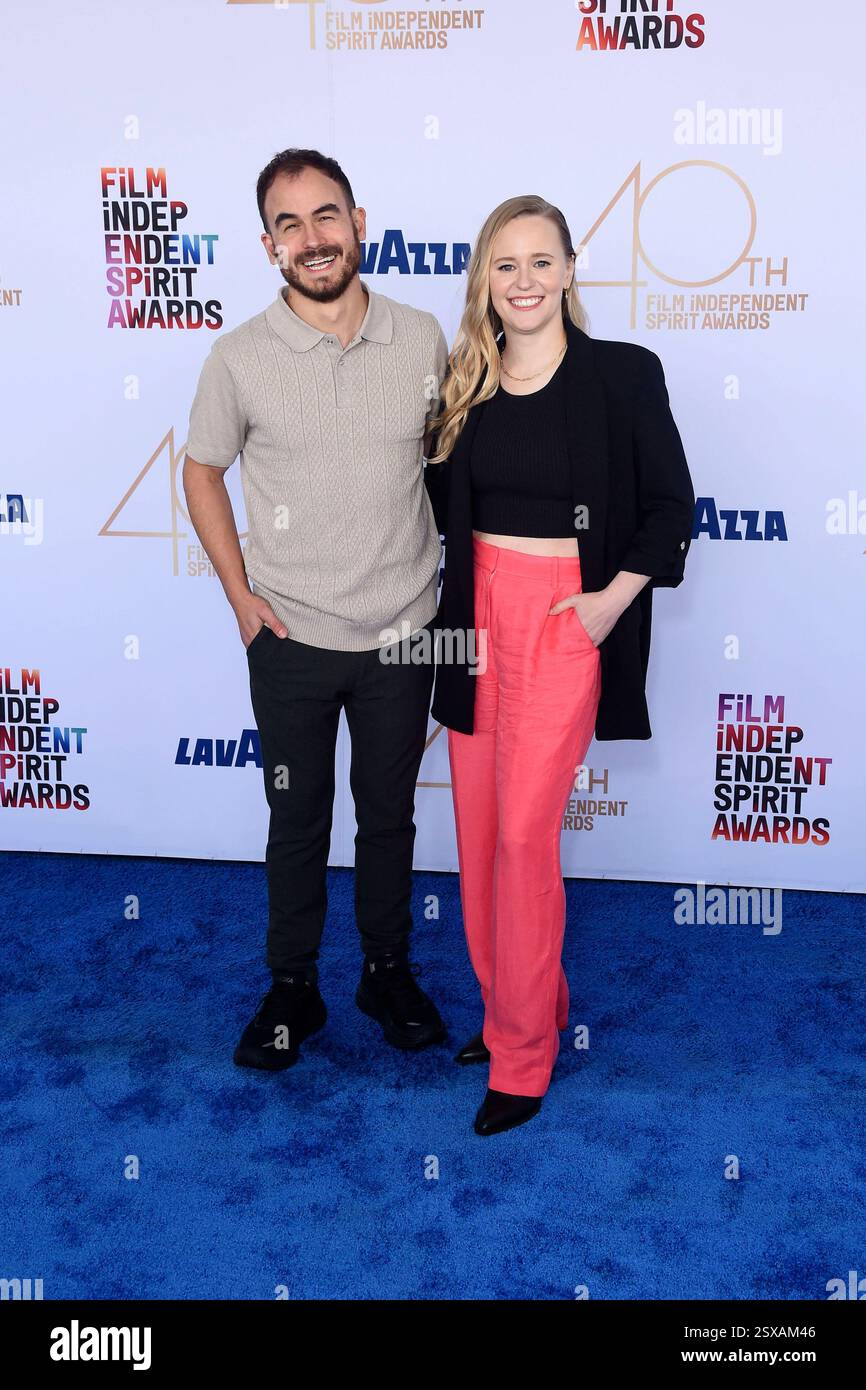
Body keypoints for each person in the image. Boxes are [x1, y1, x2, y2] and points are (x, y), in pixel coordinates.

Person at [424, 194, 695, 1136]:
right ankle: (511, 1013)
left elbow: (671, 510)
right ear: (484, 283)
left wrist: (606, 605)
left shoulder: (621, 377)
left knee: (524, 836)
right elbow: (431, 516)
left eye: (542, 262)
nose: (525, 282)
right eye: (506, 265)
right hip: (472, 618)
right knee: (477, 832)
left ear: (573, 270)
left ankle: (525, 1059)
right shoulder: (462, 381)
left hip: (564, 617)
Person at [183, 149, 449, 1071]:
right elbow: (201, 468)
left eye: (326, 216)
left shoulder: (421, 339)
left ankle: (386, 969)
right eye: (289, 224)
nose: (312, 237)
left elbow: (451, 464)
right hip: (290, 633)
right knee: (295, 819)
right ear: (268, 245)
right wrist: (241, 599)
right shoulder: (239, 356)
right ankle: (293, 987)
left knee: (388, 814)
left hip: (403, 629)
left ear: (359, 221)